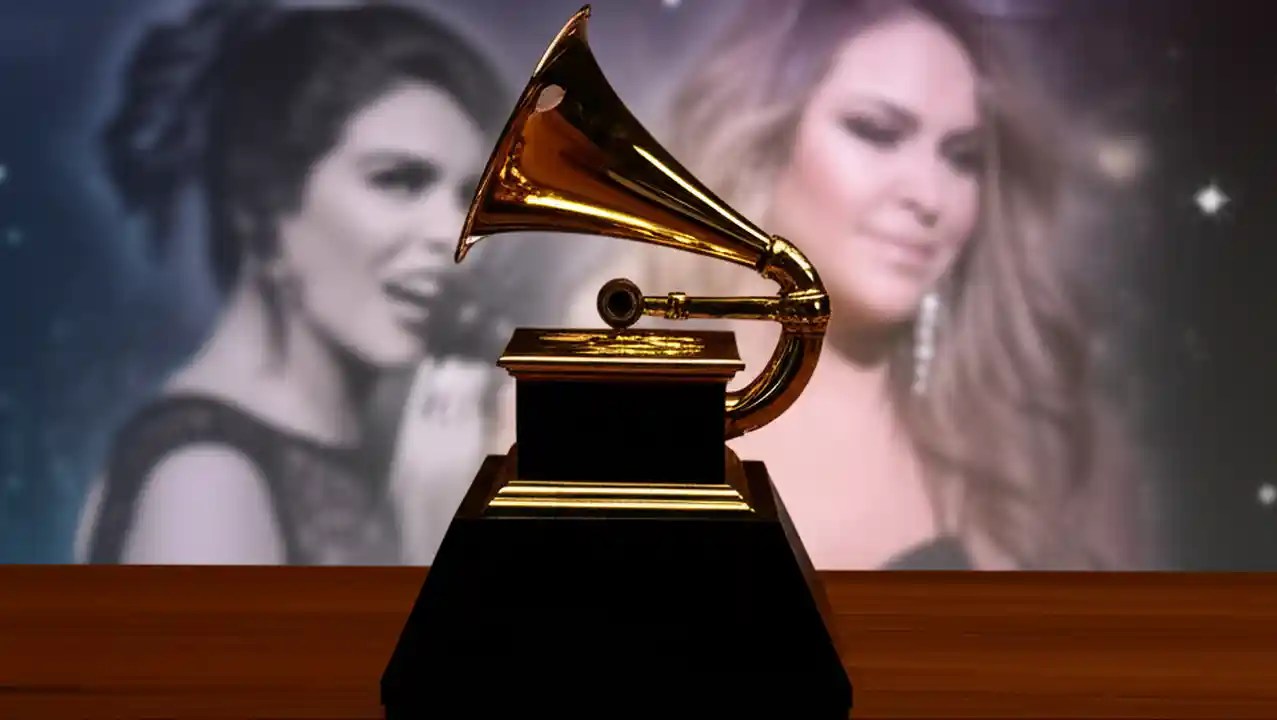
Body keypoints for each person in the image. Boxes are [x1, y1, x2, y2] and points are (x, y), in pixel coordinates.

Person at [598, 0, 1156, 570]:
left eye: (961, 158)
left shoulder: (1036, 445)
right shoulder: (610, 416)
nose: (928, 196)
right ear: (763, 142)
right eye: (877, 132)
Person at [75, 0, 515, 565]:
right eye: (398, 181)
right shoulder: (205, 486)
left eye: (472, 200)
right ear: (262, 203)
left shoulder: (363, 452)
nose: (456, 237)